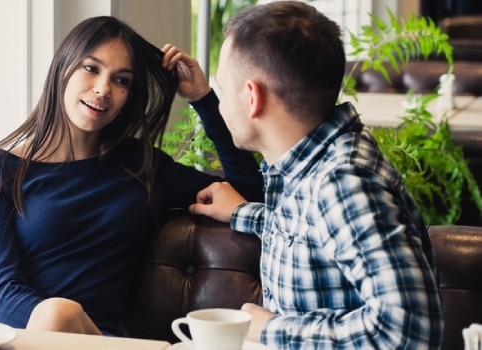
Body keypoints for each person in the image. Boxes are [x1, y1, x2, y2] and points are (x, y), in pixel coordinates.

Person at [0, 16, 263, 336]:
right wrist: (54, 320)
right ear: (63, 68)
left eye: (121, 80)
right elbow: (0, 292)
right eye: (91, 68)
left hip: (103, 341)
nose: (103, 89)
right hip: (24, 337)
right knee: (57, 312)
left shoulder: (140, 166)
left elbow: (247, 188)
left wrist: (202, 99)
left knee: (60, 312)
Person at [185, 2, 443, 349]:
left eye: (223, 89)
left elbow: (409, 329)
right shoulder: (310, 163)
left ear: (251, 97)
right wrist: (243, 213)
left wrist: (272, 330)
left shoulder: (343, 182)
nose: (219, 104)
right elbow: (311, 230)